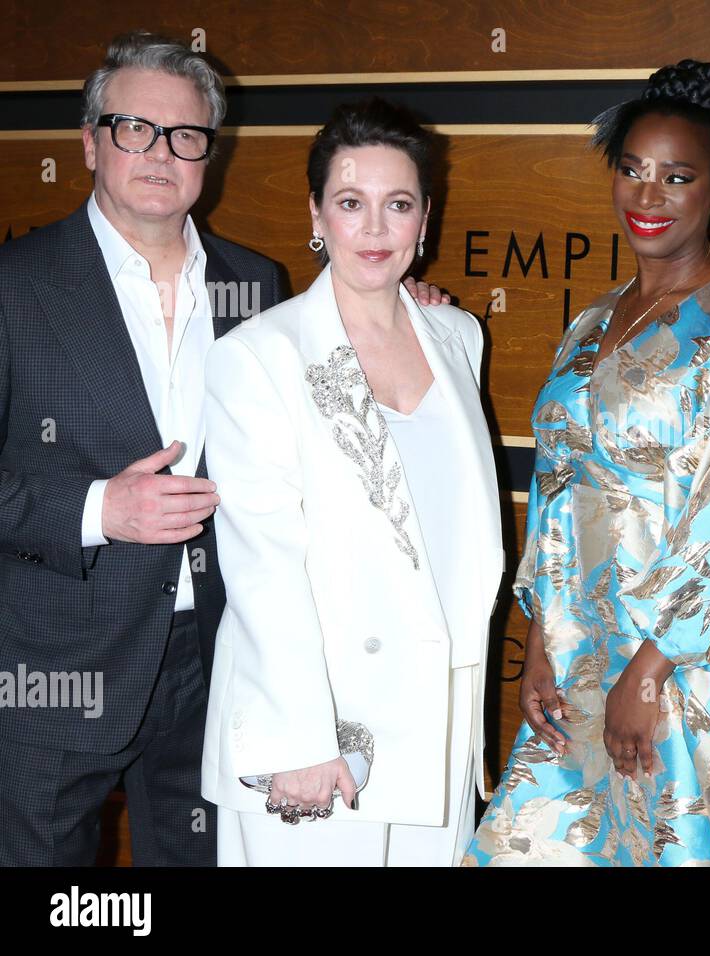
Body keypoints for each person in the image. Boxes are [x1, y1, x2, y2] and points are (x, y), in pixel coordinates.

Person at [463, 60, 710, 866]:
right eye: (632, 171)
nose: (648, 196)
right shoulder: (593, 320)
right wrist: (541, 641)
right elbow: (559, 490)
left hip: (684, 669)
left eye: (677, 177)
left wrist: (647, 672)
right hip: (583, 655)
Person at [0, 31, 282, 866]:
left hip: (214, 664)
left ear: (209, 155)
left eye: (185, 136)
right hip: (53, 668)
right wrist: (98, 509)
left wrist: (407, 310)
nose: (161, 152)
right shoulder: (14, 285)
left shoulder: (256, 284)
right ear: (91, 143)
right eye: (134, 129)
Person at [200, 97, 503, 866]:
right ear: (316, 214)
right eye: (350, 203)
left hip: (437, 730)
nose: (374, 229)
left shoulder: (458, 335)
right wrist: (299, 737)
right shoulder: (258, 355)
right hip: (325, 734)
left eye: (397, 205)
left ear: (424, 218)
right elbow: (262, 562)